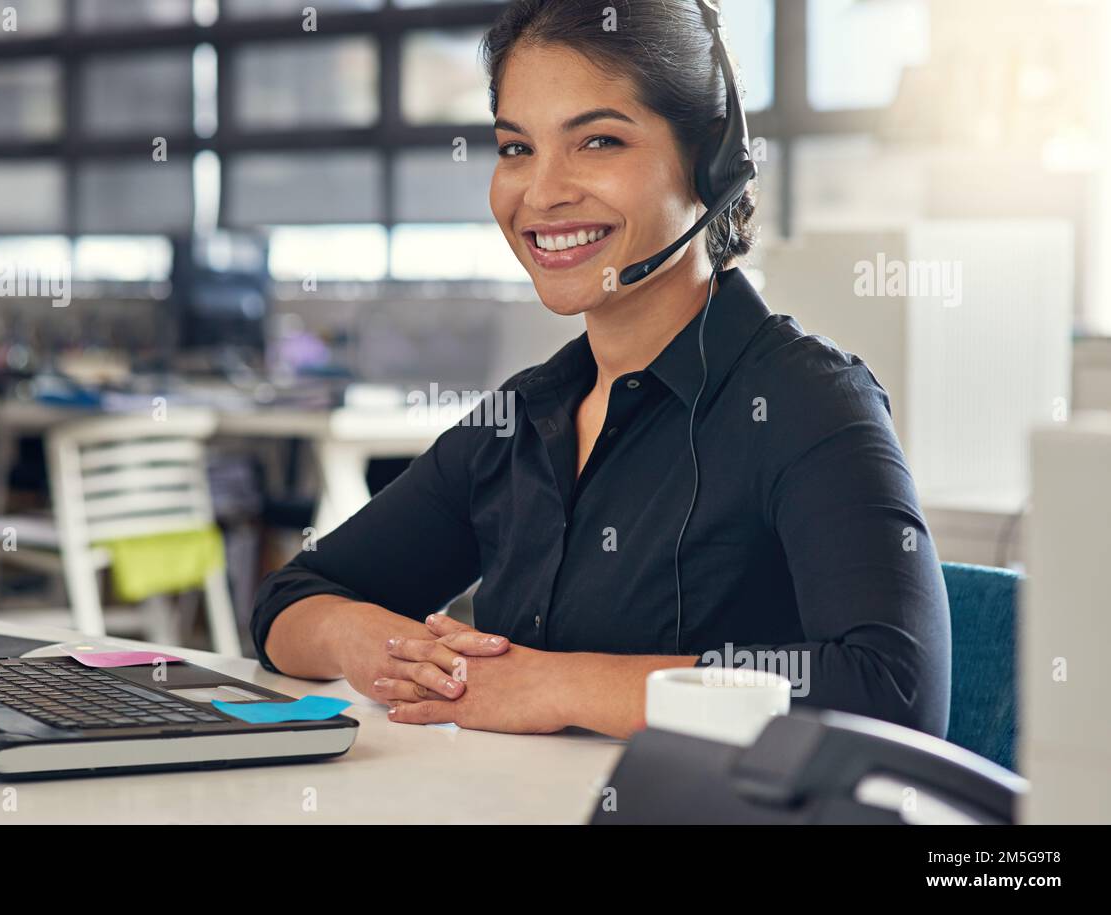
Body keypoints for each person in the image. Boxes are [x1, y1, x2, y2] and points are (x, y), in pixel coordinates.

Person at [251, 0, 950, 740]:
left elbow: (893, 689)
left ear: (711, 161)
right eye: (516, 148)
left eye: (598, 141)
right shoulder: (525, 417)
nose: (542, 193)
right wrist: (373, 643)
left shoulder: (805, 400)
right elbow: (289, 599)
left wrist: (560, 685)